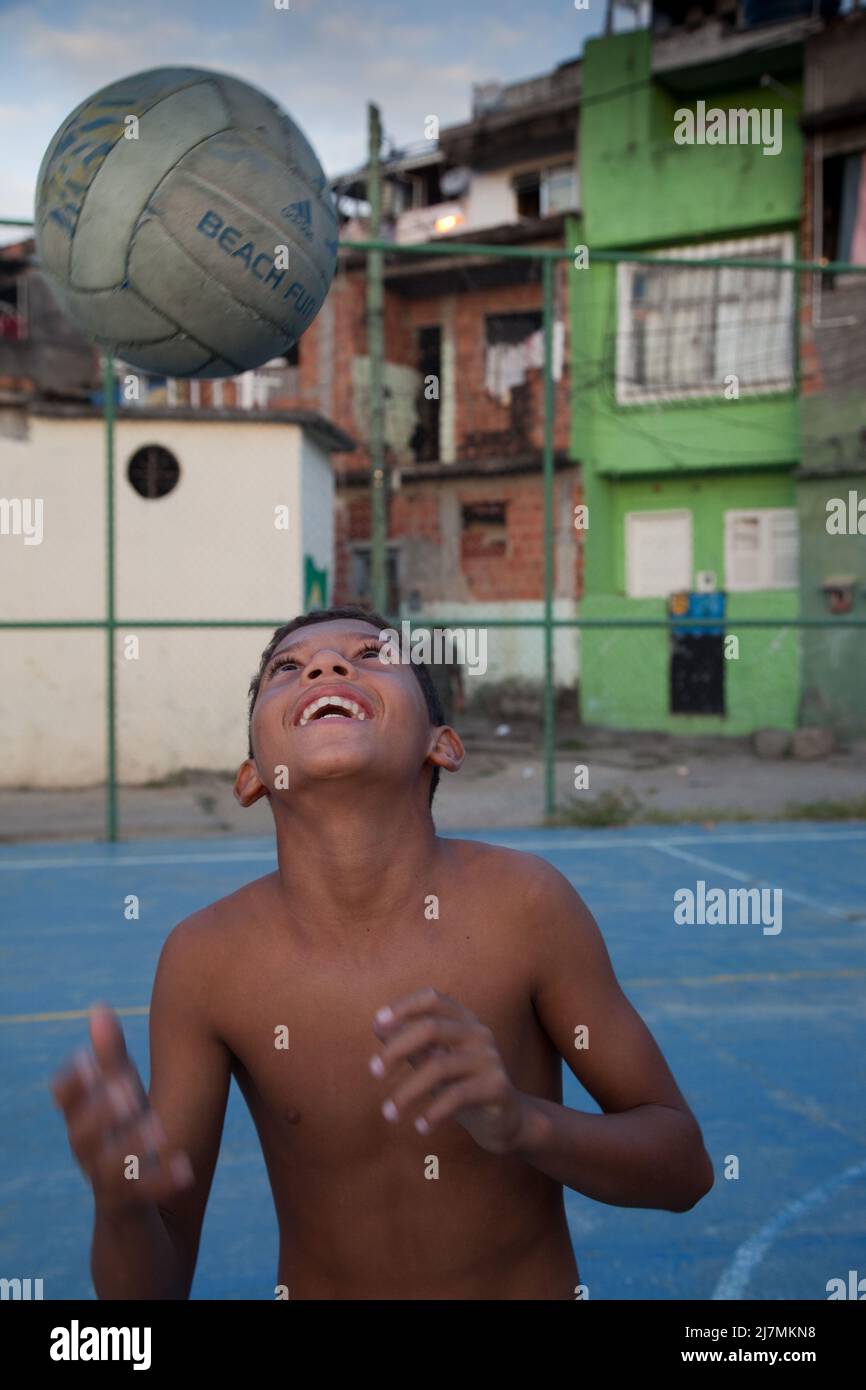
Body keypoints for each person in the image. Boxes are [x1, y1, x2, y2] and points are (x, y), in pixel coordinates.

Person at [51, 604, 713, 1300]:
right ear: (252, 776)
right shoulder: (206, 959)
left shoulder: (527, 905)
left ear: (443, 745)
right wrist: (121, 1205)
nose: (326, 666)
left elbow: (685, 1167)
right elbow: (152, 1291)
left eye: (371, 657)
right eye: (287, 668)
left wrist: (523, 1121)